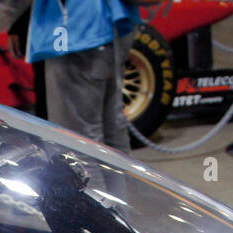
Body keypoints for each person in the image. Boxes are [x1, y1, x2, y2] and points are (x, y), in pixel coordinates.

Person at [26, 0, 146, 150]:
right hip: (113, 24)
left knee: (77, 139)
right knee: (112, 127)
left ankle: (94, 175)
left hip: (77, 31)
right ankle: (119, 174)